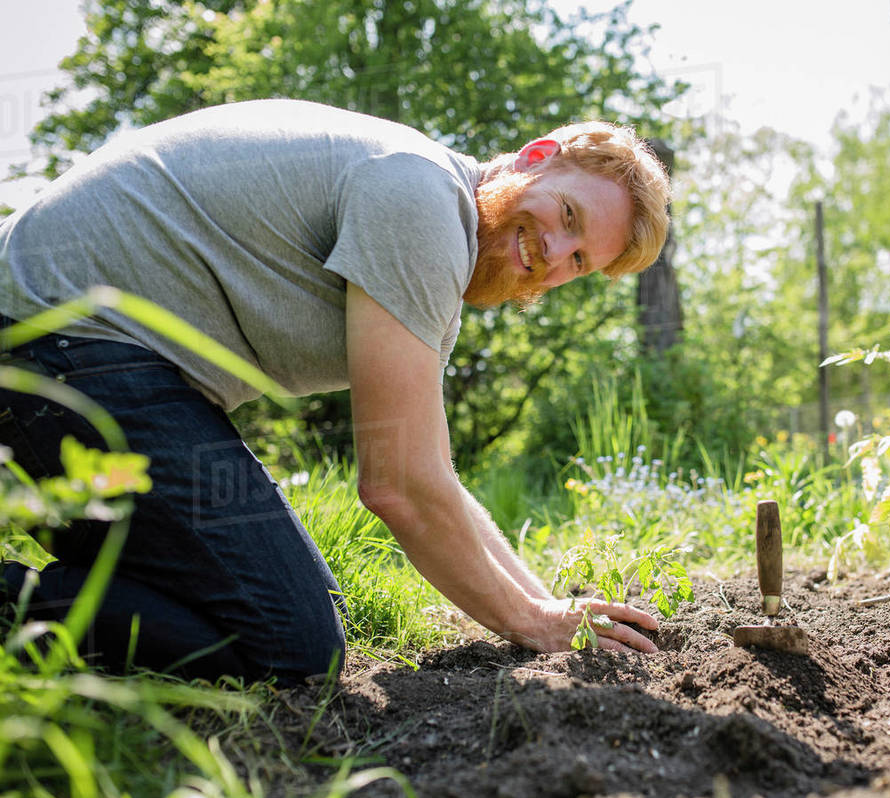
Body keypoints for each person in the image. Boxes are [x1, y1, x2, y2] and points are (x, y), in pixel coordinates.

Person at [0, 99, 671, 685]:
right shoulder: (420, 198)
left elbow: (433, 475)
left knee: (302, 603)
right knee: (285, 641)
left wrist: (549, 611)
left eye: (579, 260)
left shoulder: (436, 245)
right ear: (536, 156)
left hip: (86, 352)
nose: (554, 252)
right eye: (567, 214)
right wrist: (529, 622)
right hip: (57, 333)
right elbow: (398, 485)